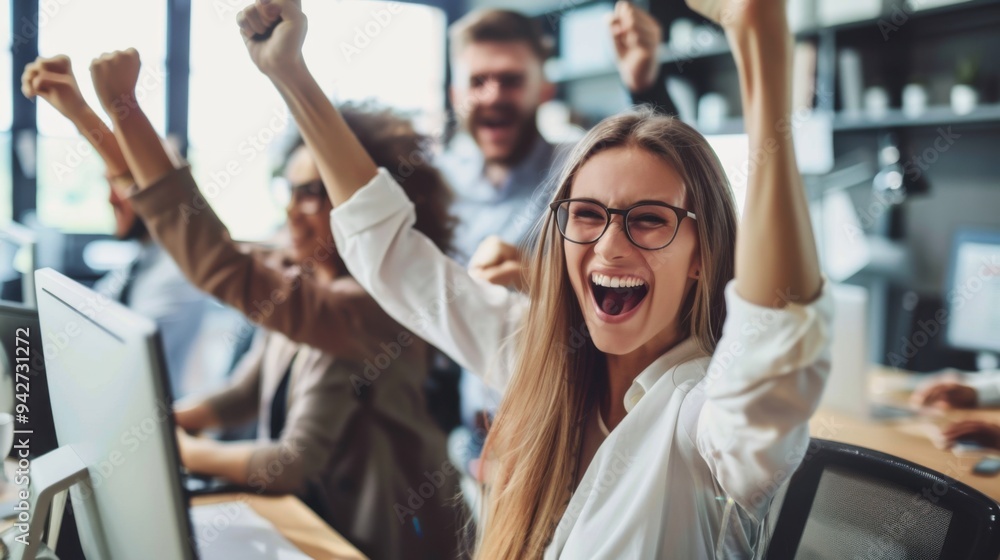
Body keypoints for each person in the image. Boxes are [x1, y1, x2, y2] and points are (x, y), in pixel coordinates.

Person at [225, 0, 833, 557]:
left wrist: (760, 48)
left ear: (705, 255)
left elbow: (774, 347)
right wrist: (290, 74)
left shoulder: (700, 413)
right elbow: (391, 253)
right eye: (587, 216)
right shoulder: (541, 358)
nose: (609, 247)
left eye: (649, 221)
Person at [87, 50, 462, 558]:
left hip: (375, 544)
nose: (290, 209)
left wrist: (123, 105)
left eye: (312, 193)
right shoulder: (310, 274)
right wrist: (169, 421)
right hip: (319, 522)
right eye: (290, 188)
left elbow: (290, 464)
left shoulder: (370, 308)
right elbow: (242, 392)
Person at [441, 3, 676, 484]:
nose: (493, 95)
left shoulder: (581, 173)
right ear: (454, 94)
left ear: (543, 88)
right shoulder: (441, 187)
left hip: (570, 443)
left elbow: (674, 179)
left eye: (510, 80)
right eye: (478, 81)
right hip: (475, 444)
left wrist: (647, 87)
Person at [21, 56, 208, 397]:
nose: (111, 199)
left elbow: (120, 361)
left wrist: (84, 110)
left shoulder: (180, 273)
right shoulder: (139, 261)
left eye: (121, 186)